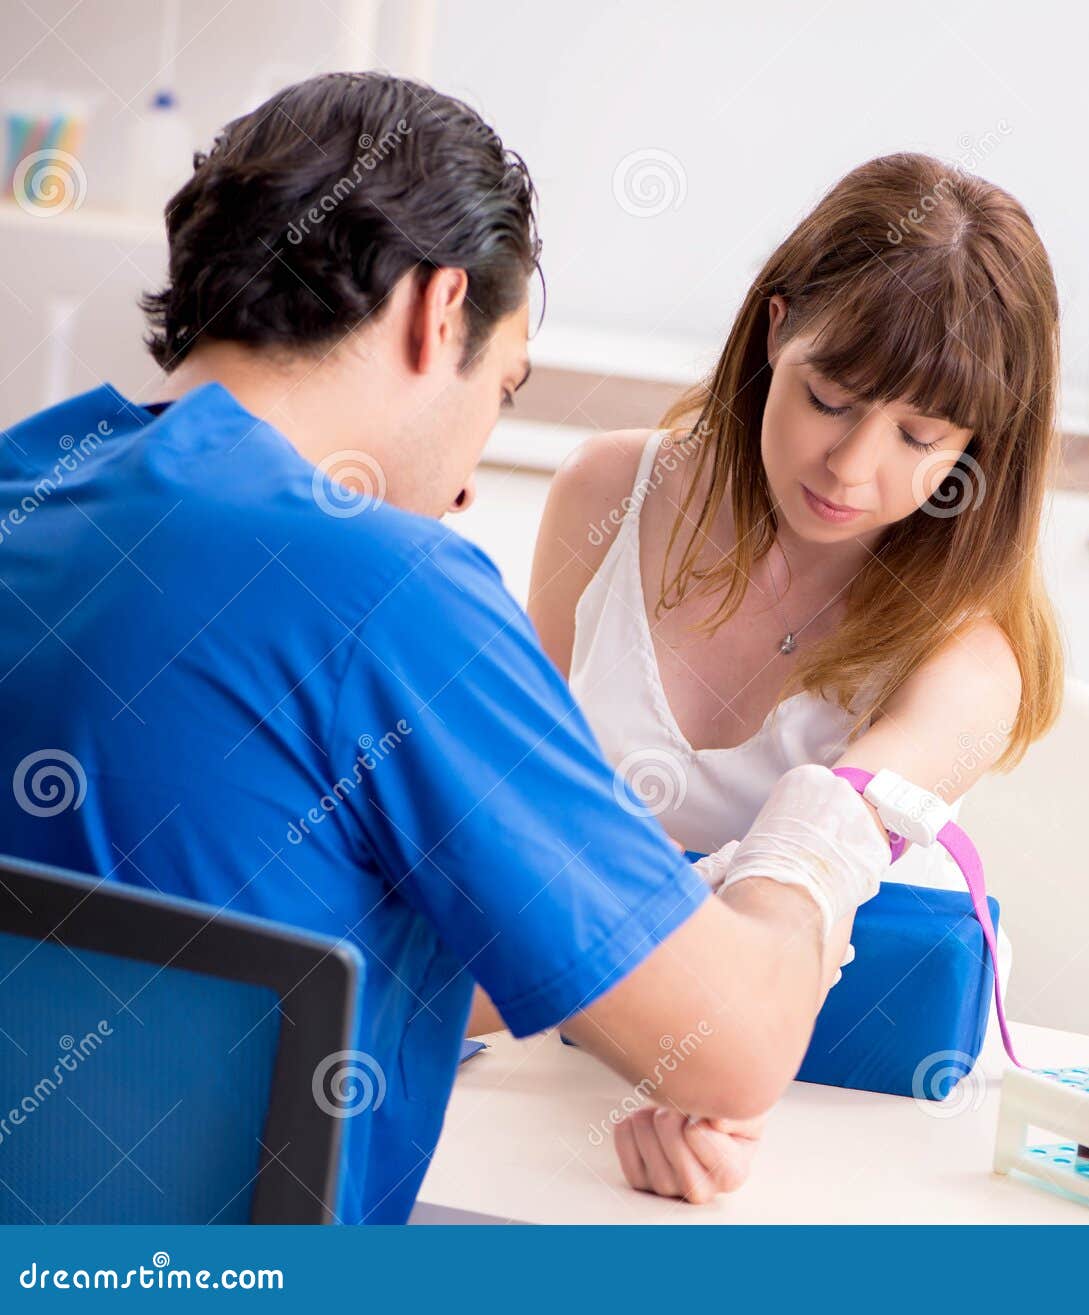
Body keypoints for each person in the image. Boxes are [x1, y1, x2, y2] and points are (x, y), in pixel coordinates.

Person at [0, 72, 889, 1223]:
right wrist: (814, 845)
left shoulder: (31, 487)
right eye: (502, 388)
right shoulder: (386, 585)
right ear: (437, 310)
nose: (468, 480)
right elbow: (734, 1046)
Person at [522, 153, 1066, 1197]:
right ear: (774, 331)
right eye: (830, 397)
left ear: (975, 449)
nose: (851, 467)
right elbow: (514, 809)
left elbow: (807, 866)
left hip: (835, 1119)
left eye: (918, 435)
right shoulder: (604, 495)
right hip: (562, 1057)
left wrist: (704, 1061)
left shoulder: (967, 657)